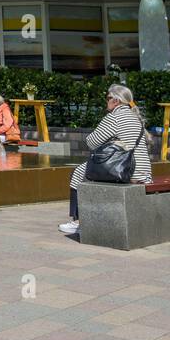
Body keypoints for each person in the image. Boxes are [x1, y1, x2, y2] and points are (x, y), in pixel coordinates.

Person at [60, 84, 153, 236]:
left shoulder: (114, 117)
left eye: (108, 98)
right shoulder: (136, 118)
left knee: (77, 173)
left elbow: (91, 142)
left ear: (116, 101)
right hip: (143, 172)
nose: (106, 101)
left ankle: (79, 223)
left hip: (125, 171)